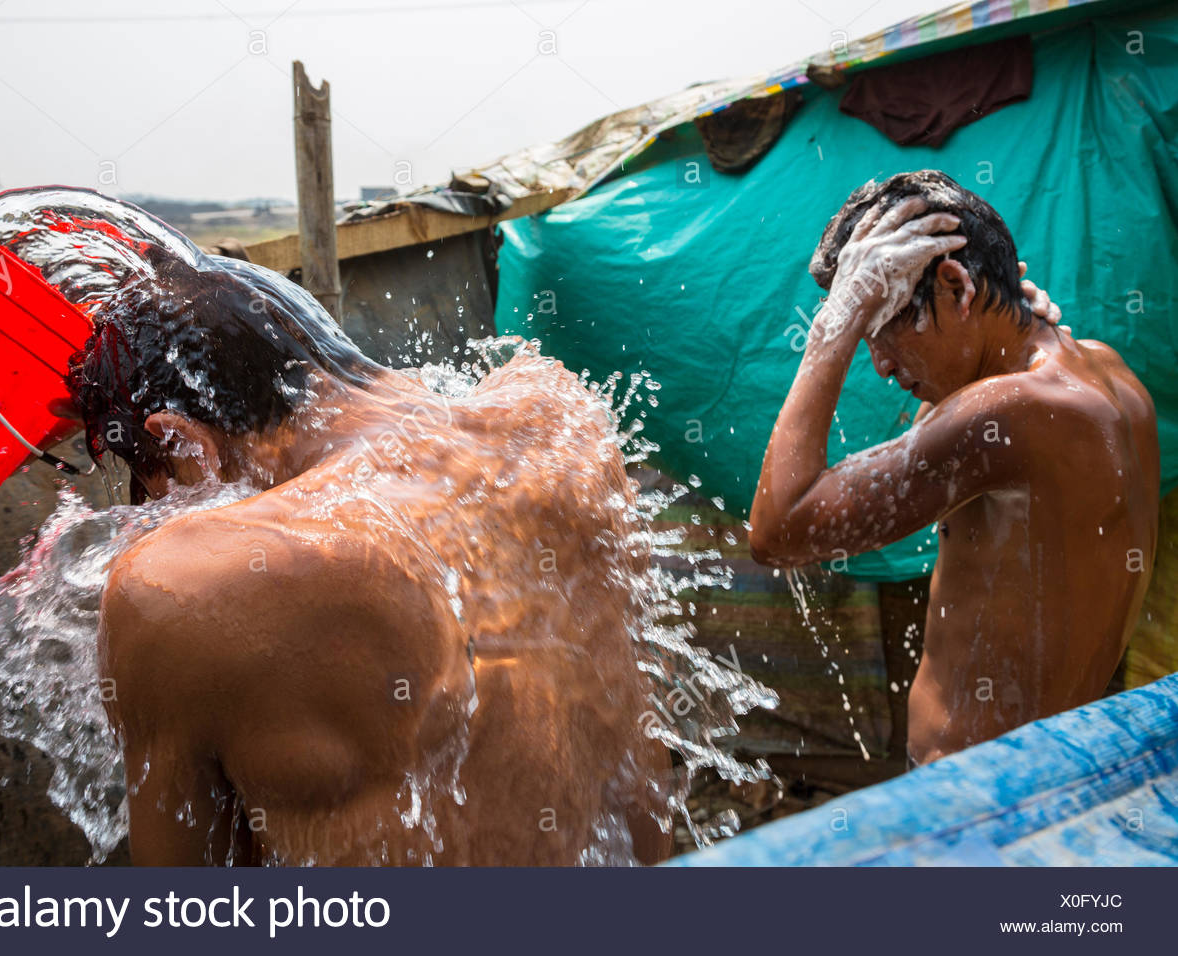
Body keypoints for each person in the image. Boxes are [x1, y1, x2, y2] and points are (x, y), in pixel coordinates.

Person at [68, 253, 671, 865]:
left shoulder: (182, 589)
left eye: (150, 488)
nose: (156, 516)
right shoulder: (556, 421)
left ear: (183, 443)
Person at [748, 171, 1159, 766]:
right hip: (1050, 767)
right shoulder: (1106, 373)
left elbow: (778, 530)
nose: (881, 364)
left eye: (880, 326)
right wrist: (992, 311)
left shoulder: (1010, 412)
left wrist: (829, 330)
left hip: (976, 797)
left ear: (954, 285)